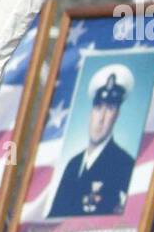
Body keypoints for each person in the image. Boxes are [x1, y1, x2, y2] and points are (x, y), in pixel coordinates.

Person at [49, 64, 135, 217]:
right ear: (90, 112)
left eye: (109, 109)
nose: (101, 118)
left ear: (117, 115)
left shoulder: (125, 165)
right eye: (97, 107)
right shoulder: (73, 164)